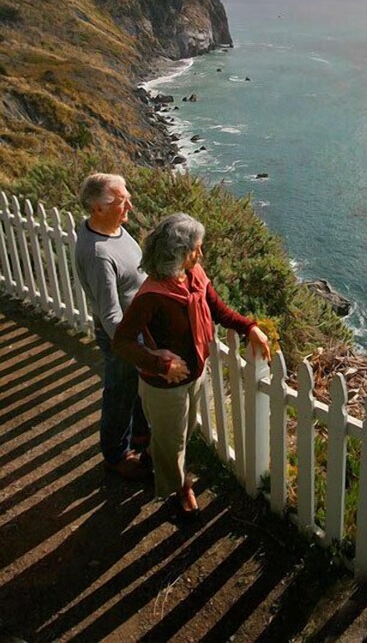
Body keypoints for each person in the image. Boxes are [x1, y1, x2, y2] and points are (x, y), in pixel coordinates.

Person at [112, 212, 270, 518]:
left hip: (195, 375)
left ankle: (157, 462)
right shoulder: (152, 295)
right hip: (165, 385)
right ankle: (178, 489)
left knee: (182, 431)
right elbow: (122, 342)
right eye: (195, 248)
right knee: (172, 439)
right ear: (177, 253)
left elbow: (218, 309)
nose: (200, 253)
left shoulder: (194, 274)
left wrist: (249, 327)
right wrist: (159, 366)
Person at [74, 173, 150, 480]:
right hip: (121, 338)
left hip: (136, 331)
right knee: (120, 393)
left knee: (135, 389)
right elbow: (109, 315)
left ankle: (141, 435)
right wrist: (135, 350)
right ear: (98, 208)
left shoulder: (113, 229)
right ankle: (116, 455)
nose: (130, 205)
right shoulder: (98, 254)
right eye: (121, 201)